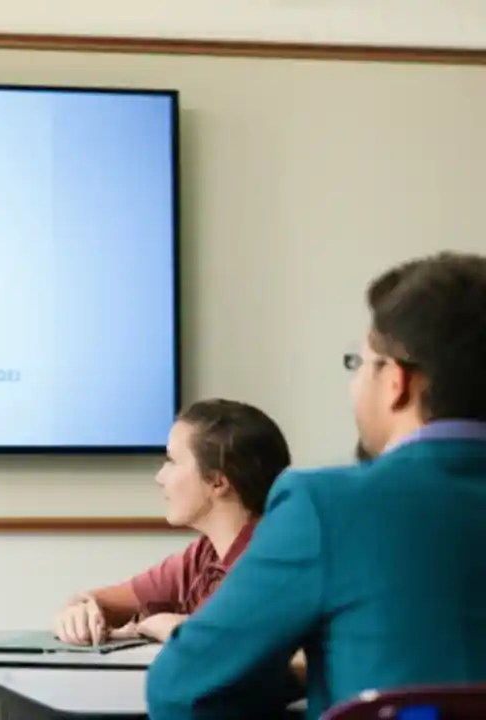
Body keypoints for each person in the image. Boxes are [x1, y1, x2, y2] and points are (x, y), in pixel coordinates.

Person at [147, 251, 486, 719]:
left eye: (359, 363)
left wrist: (295, 676)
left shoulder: (326, 508)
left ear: (395, 382)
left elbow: (182, 689)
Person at [54, 398, 291, 644]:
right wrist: (78, 613)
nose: (159, 477)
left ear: (218, 481)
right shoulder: (203, 556)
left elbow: (295, 656)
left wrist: (182, 629)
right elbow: (99, 600)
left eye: (172, 461)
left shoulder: (277, 562)